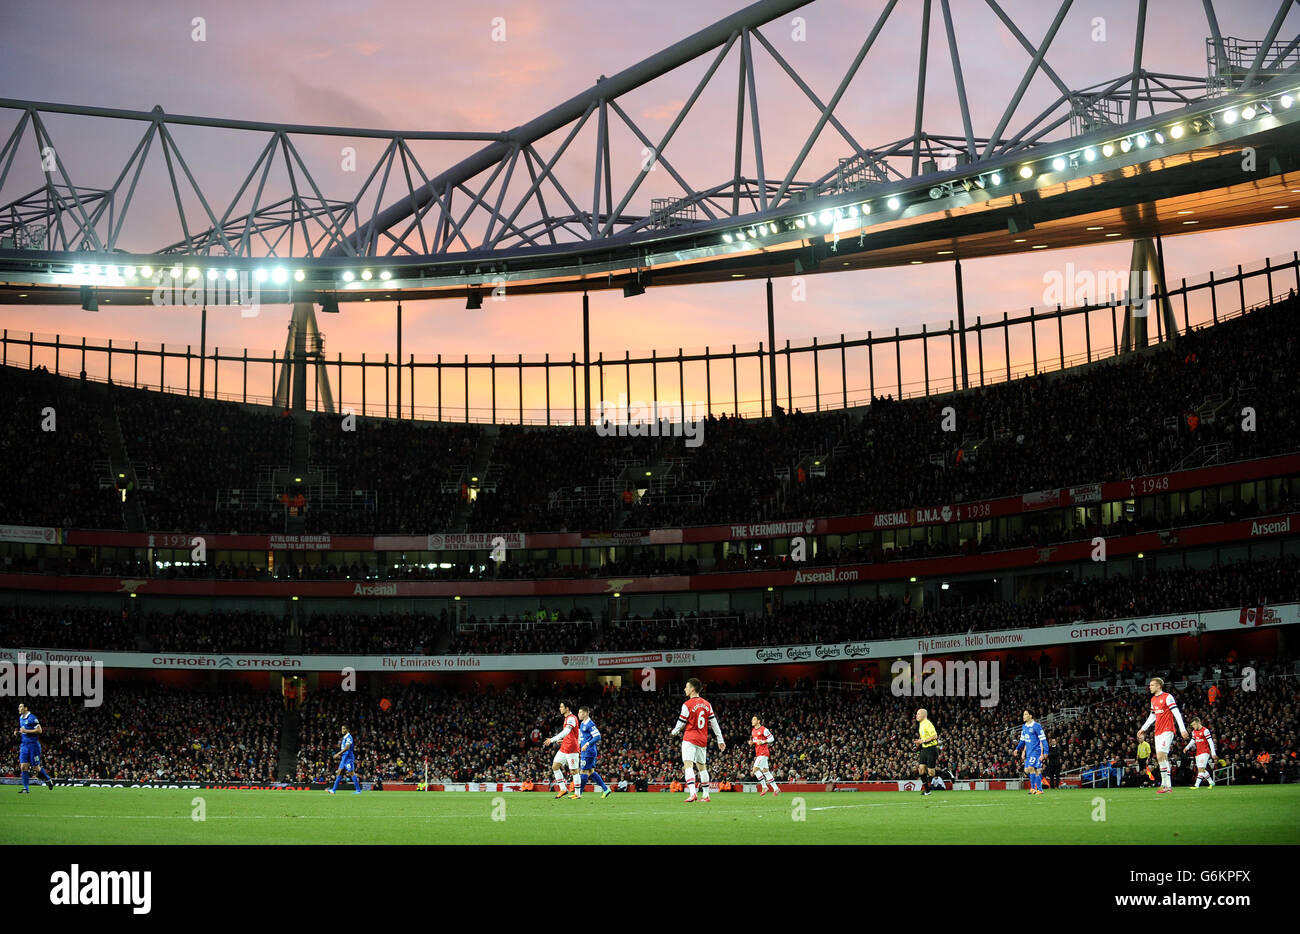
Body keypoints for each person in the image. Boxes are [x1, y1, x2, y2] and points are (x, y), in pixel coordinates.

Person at [670, 678, 725, 803]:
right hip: (702, 739)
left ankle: (693, 793)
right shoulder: (707, 704)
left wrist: (674, 731)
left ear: (692, 689)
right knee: (702, 767)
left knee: (688, 765)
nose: (685, 689)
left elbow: (681, 722)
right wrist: (720, 739)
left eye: (686, 687)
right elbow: (714, 723)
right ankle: (705, 795)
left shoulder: (687, 704)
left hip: (690, 738)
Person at [1137, 677, 1189, 794]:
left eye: (1152, 685)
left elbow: (1176, 713)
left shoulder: (1168, 697)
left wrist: (1182, 729)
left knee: (1160, 756)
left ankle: (1165, 785)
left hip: (1168, 730)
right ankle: (1168, 786)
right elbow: (1152, 716)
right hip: (1158, 732)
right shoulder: (1153, 700)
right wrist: (1143, 728)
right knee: (1162, 758)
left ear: (1159, 686)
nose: (1149, 687)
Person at [543, 700, 581, 799]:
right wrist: (563, 740)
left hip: (572, 749)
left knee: (574, 771)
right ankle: (563, 789)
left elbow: (566, 731)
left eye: (561, 707)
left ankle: (577, 794)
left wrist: (552, 740)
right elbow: (570, 734)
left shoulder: (571, 718)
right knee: (555, 766)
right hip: (565, 747)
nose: (560, 708)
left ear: (567, 708)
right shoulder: (567, 718)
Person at [573, 706, 610, 799]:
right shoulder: (582, 724)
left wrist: (587, 744)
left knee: (583, 771)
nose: (578, 714)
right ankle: (606, 789)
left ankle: (579, 793)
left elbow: (598, 736)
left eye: (580, 712)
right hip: (586, 752)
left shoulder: (590, 724)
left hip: (589, 752)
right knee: (590, 772)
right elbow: (580, 738)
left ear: (585, 713)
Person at [16, 704, 54, 793]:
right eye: (19, 707)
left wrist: (26, 731)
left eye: (21, 707)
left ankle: (48, 780)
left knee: (36, 768)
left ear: (26, 708)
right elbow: (23, 731)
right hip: (24, 745)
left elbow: (39, 730)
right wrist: (18, 733)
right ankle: (26, 788)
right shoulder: (21, 718)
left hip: (33, 745)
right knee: (23, 767)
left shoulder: (32, 718)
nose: (19, 708)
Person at [1015, 710, 1049, 796]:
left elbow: (1043, 739)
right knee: (1030, 770)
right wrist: (1017, 749)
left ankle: (1034, 788)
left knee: (1031, 768)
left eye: (1025, 714)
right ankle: (1038, 789)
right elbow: (1022, 740)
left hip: (1036, 751)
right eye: (1023, 714)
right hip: (1029, 753)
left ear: (1030, 716)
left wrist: (1045, 751)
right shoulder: (1024, 727)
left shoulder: (1036, 726)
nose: (1023, 716)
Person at [748, 715, 780, 796]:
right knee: (766, 771)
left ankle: (764, 786)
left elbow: (772, 738)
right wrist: (752, 743)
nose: (752, 721)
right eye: (752, 719)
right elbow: (756, 741)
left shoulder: (764, 730)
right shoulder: (753, 731)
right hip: (758, 753)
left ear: (758, 721)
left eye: (754, 719)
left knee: (755, 770)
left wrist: (763, 742)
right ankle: (776, 788)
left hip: (763, 753)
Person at [1184, 717, 1217, 788]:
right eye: (1192, 725)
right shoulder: (1194, 732)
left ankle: (1196, 785)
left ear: (1198, 722)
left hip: (1205, 752)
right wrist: (1187, 747)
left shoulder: (1205, 731)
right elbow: (1193, 740)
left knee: (1201, 769)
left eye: (1194, 725)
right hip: (1198, 753)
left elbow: (1210, 742)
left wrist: (1213, 753)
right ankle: (1211, 782)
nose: (1193, 726)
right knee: (1202, 769)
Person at [329, 724, 362, 795]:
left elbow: (347, 747)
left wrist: (338, 754)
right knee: (339, 772)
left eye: (343, 729)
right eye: (341, 729)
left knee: (351, 773)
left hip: (348, 757)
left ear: (347, 730)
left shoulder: (349, 737)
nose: (342, 730)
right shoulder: (344, 737)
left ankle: (358, 790)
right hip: (344, 758)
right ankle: (333, 790)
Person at [913, 707, 939, 795]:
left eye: (918, 714)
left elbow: (935, 736)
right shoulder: (921, 724)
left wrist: (922, 741)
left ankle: (947, 773)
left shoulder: (927, 723)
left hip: (931, 749)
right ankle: (927, 790)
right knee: (921, 770)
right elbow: (925, 737)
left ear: (924, 715)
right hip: (924, 749)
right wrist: (919, 742)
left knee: (931, 772)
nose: (916, 716)